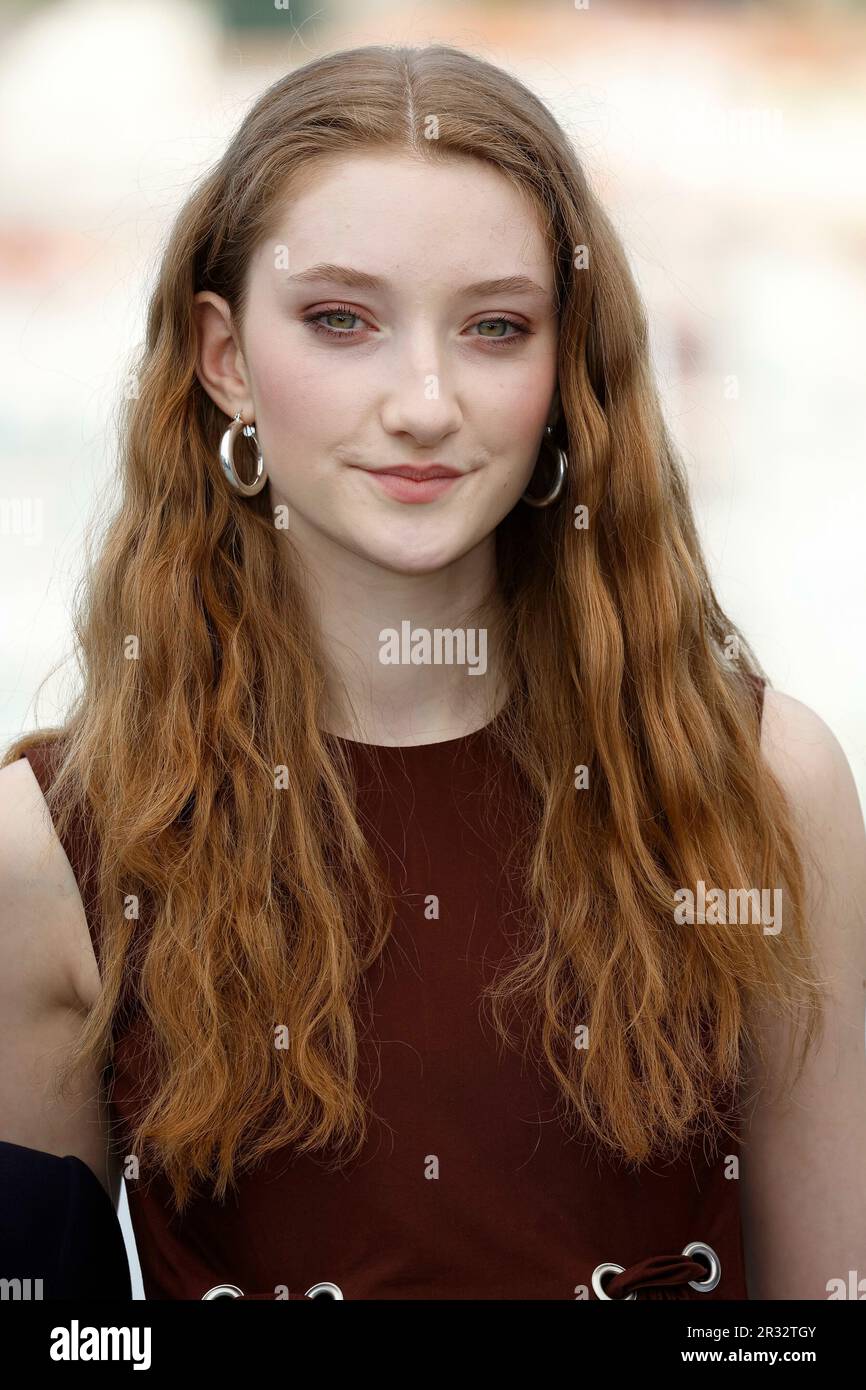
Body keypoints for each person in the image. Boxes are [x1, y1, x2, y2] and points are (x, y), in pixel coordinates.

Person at [1, 43, 864, 1302]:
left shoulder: (764, 789)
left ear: (565, 366)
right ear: (224, 354)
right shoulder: (53, 852)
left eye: (493, 327)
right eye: (340, 320)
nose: (422, 401)